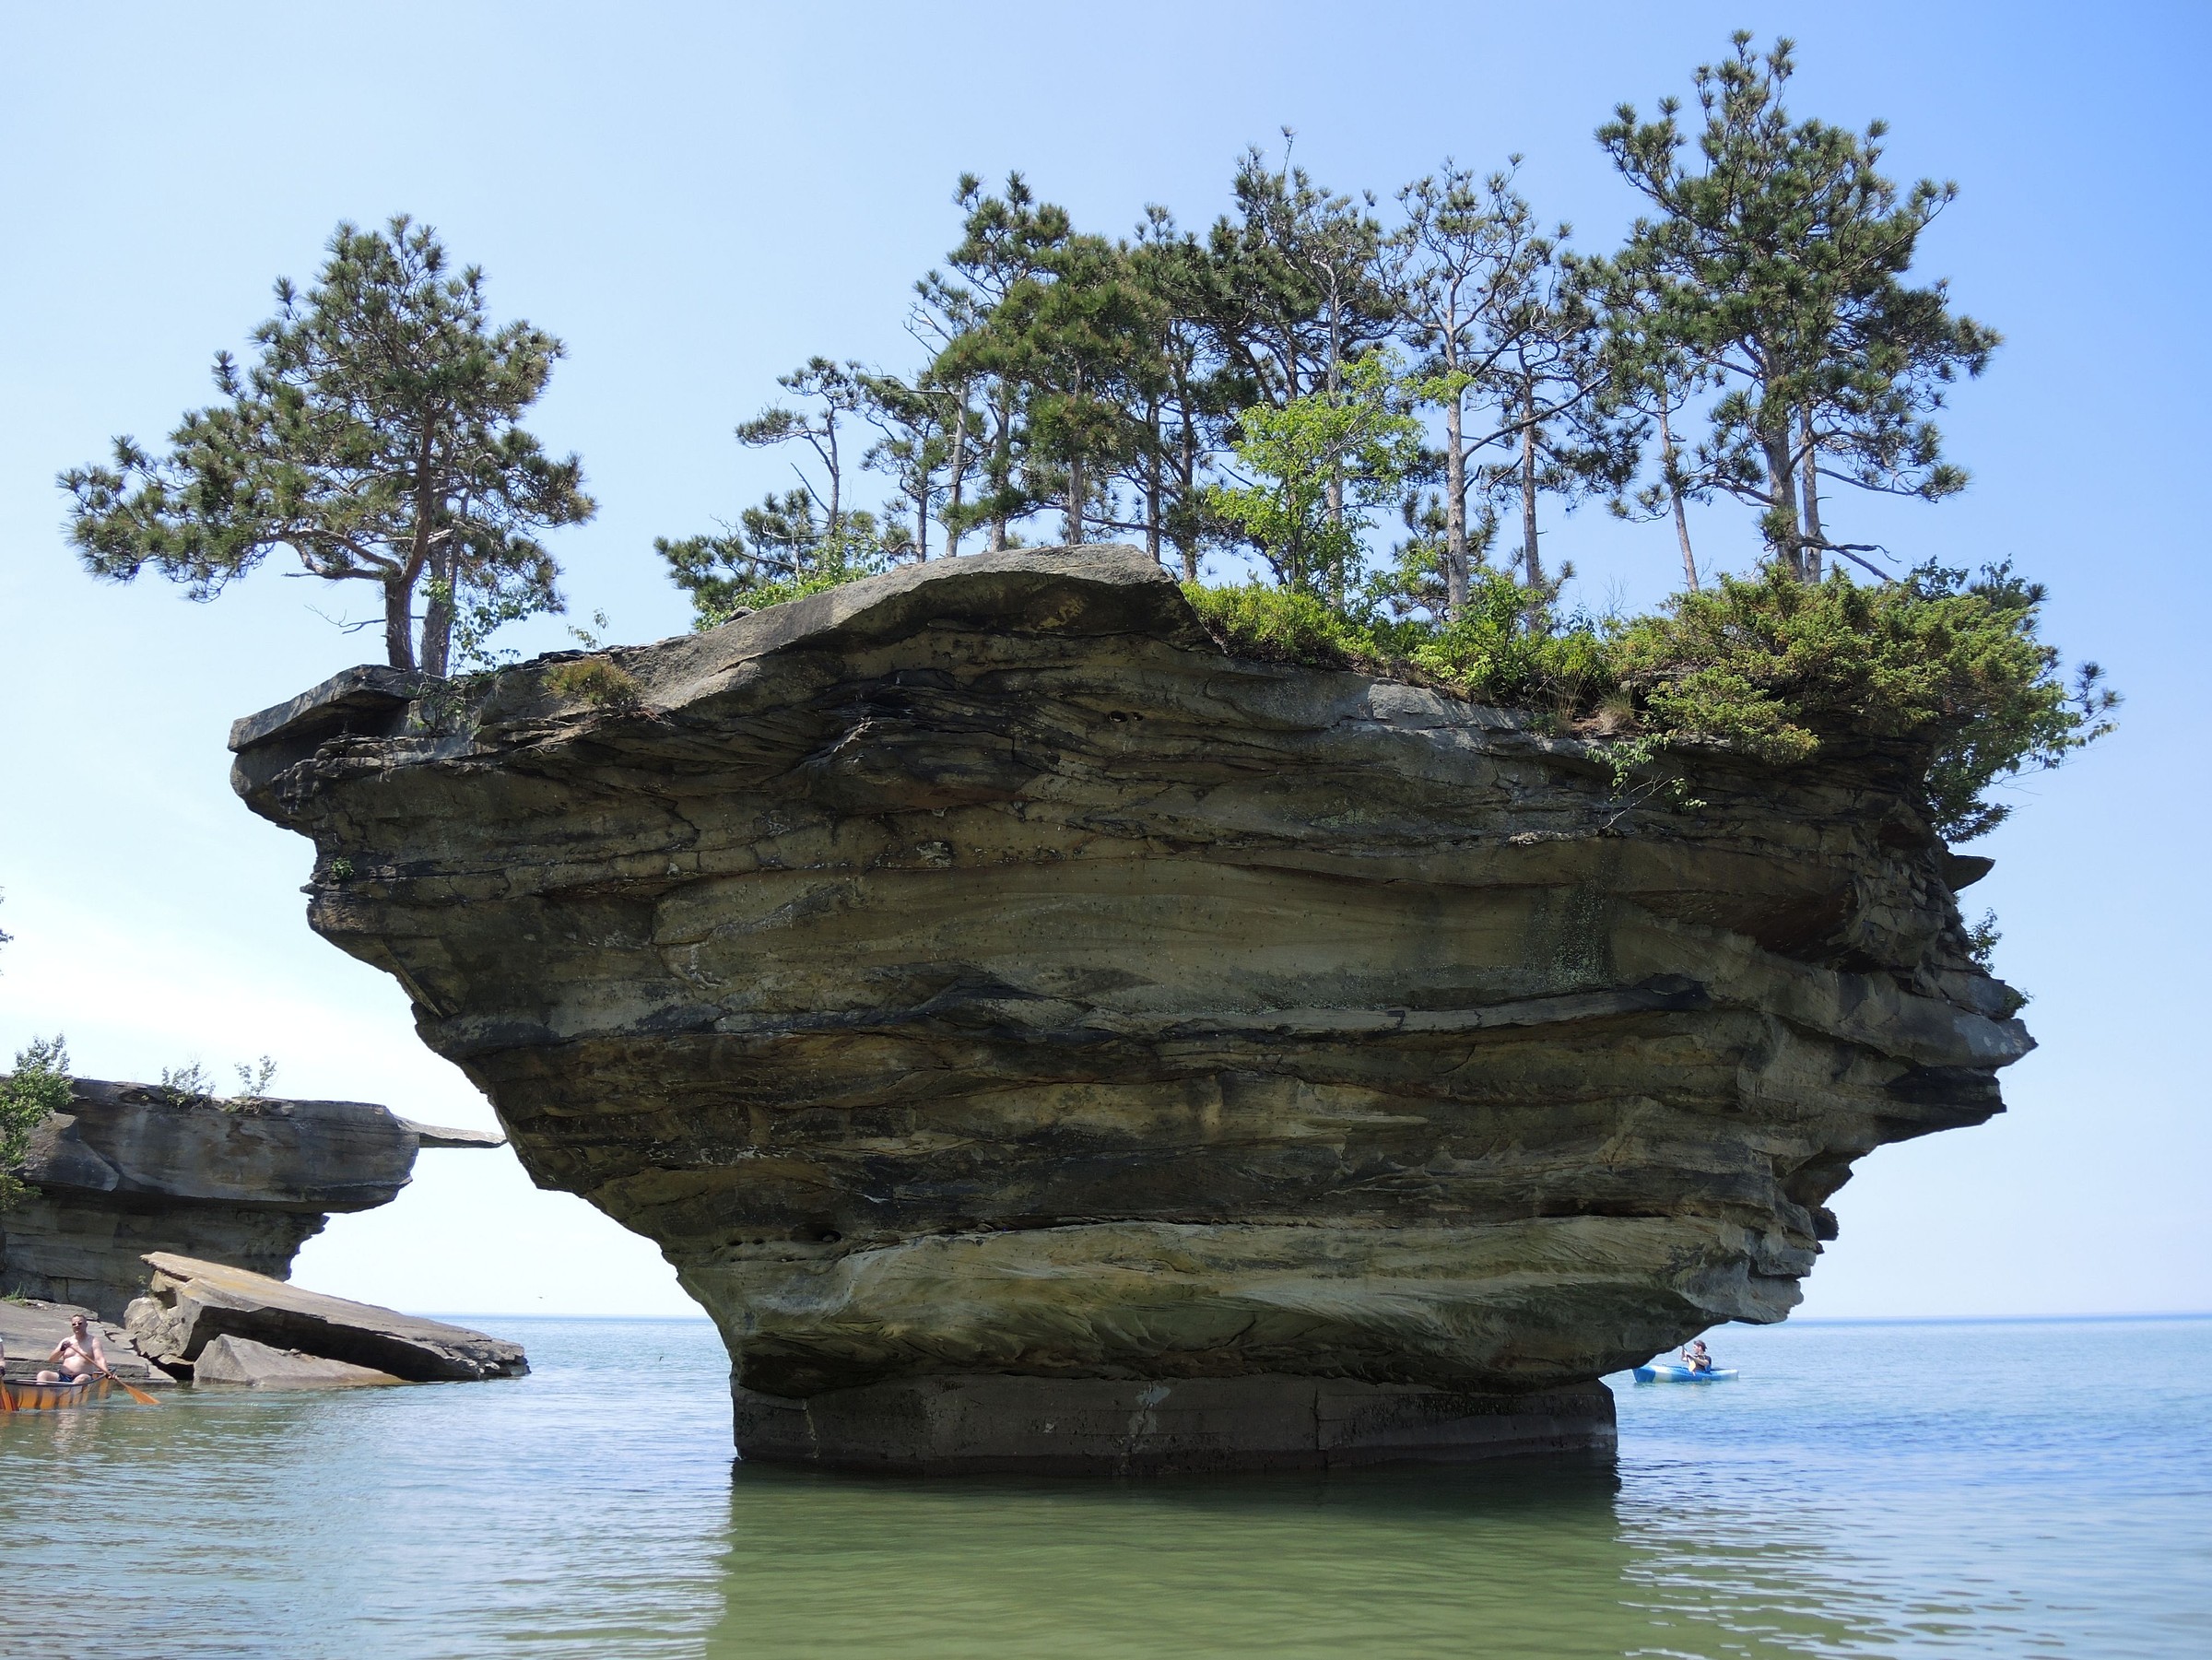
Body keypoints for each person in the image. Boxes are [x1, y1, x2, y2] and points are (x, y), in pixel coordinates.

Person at [36, 1313, 109, 1385]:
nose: (77, 1325)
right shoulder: (66, 1341)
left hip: (83, 1378)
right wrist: (62, 1349)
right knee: (42, 1374)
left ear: (86, 1325)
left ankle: (68, 1394)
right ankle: (41, 1395)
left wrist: (106, 1372)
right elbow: (52, 1360)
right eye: (74, 1324)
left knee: (82, 1378)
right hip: (62, 1376)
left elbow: (100, 1359)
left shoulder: (93, 1341)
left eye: (80, 1323)